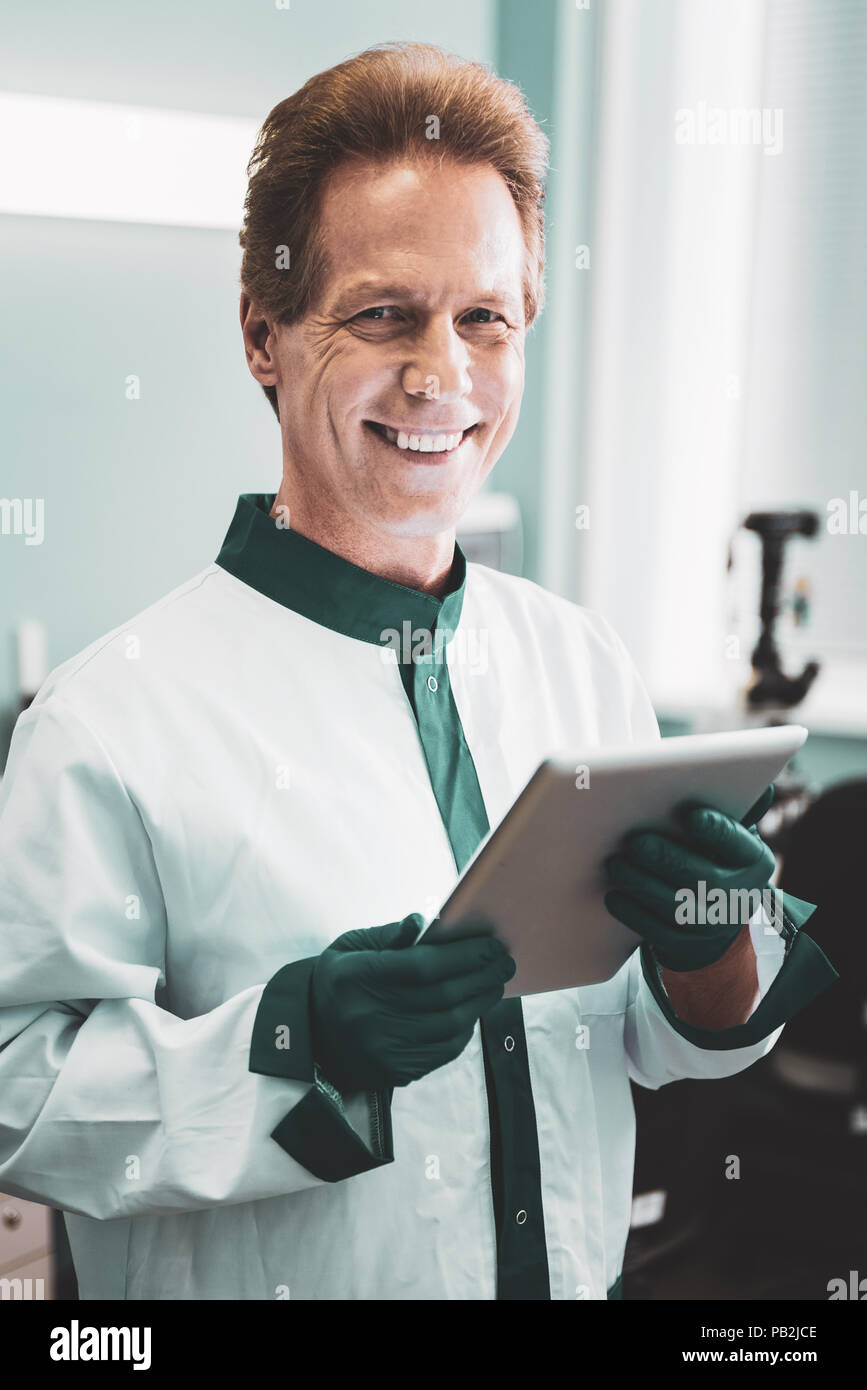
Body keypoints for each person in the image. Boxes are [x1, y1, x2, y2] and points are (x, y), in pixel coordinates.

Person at [0, 41, 836, 1301]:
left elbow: (659, 1052)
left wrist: (708, 945)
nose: (441, 374)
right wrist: (291, 1043)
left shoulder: (582, 663)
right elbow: (20, 1096)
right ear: (264, 334)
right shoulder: (111, 722)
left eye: (482, 318)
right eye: (384, 314)